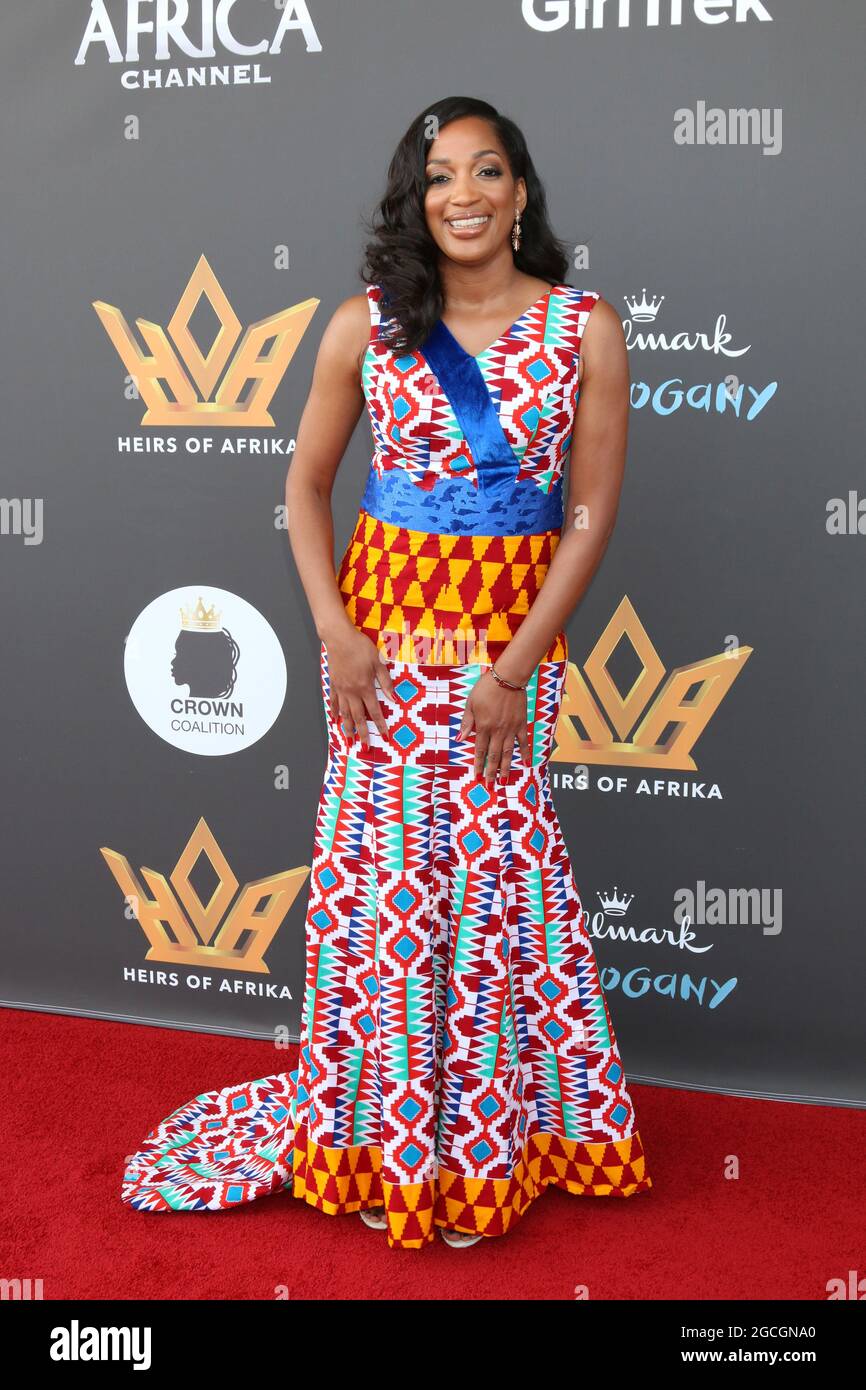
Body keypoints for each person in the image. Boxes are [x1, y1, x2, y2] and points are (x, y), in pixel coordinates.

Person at [121, 95, 652, 1251]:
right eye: (438, 175)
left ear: (519, 193)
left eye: (486, 170)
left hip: (505, 667)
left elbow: (590, 514)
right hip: (375, 661)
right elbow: (304, 486)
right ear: (415, 200)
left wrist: (514, 668)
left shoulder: (585, 329)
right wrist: (335, 631)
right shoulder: (363, 327)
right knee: (383, 901)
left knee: (490, 897)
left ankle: (475, 1154)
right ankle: (378, 1140)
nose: (461, 193)